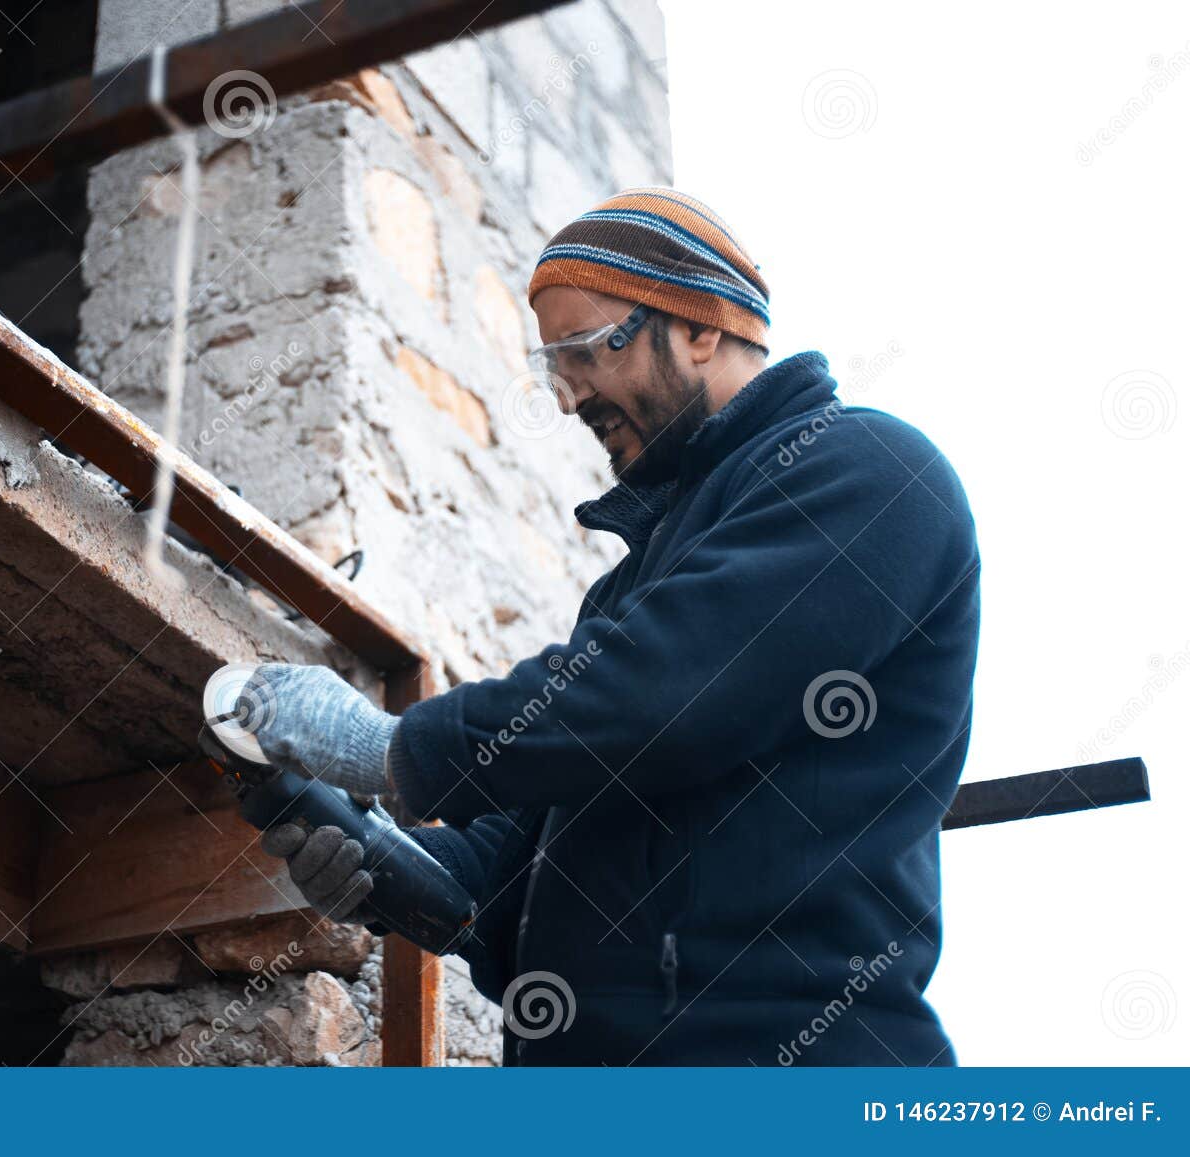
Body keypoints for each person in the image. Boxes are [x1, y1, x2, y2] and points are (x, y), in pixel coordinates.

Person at [240, 188, 980, 1066]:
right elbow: (519, 877)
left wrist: (394, 750)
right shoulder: (632, 587)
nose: (564, 397)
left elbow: (667, 690)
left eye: (587, 351)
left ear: (701, 327)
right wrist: (390, 870)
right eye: (552, 364)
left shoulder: (871, 474)